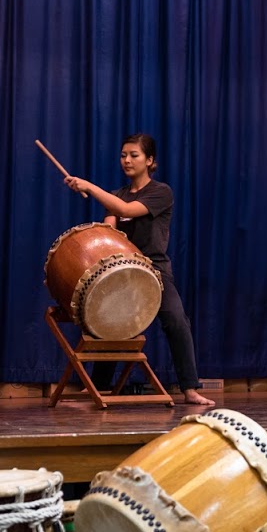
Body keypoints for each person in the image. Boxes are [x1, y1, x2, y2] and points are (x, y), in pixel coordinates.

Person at [64, 133, 214, 406]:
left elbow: (125, 210)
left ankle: (190, 388)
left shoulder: (160, 192)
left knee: (176, 322)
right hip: (124, 270)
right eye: (123, 155)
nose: (127, 160)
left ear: (150, 160)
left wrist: (88, 185)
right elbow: (110, 229)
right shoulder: (116, 195)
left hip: (154, 269)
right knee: (110, 325)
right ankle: (98, 387)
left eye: (134, 155)